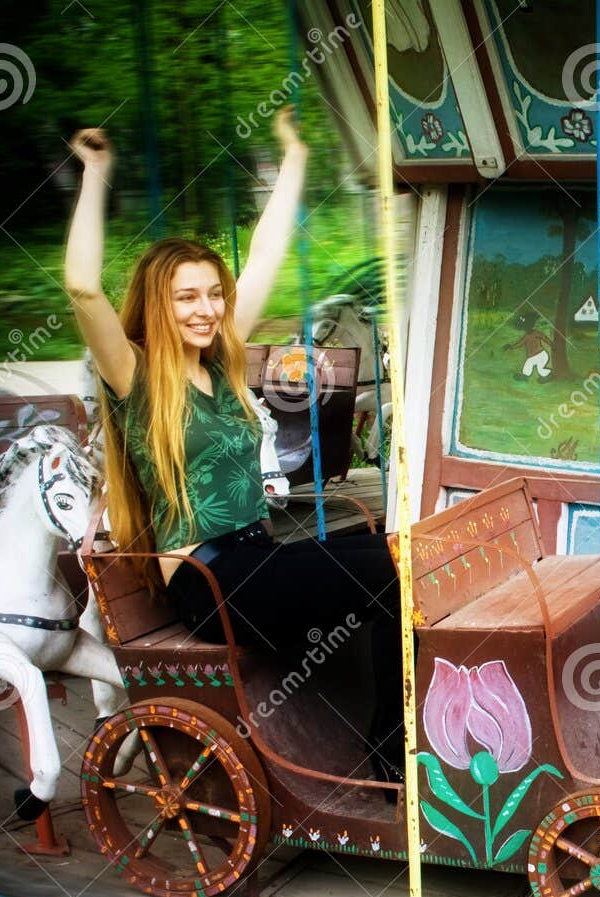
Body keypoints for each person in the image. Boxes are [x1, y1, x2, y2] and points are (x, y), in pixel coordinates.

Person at [64, 111, 404, 782]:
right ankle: (390, 761)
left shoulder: (219, 363)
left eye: (214, 294)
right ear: (157, 304)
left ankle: (391, 746)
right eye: (186, 297)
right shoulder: (134, 375)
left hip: (257, 558)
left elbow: (268, 253)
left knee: (409, 556)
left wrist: (295, 155)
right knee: (395, 575)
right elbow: (81, 288)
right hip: (208, 579)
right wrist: (95, 174)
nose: (207, 309)